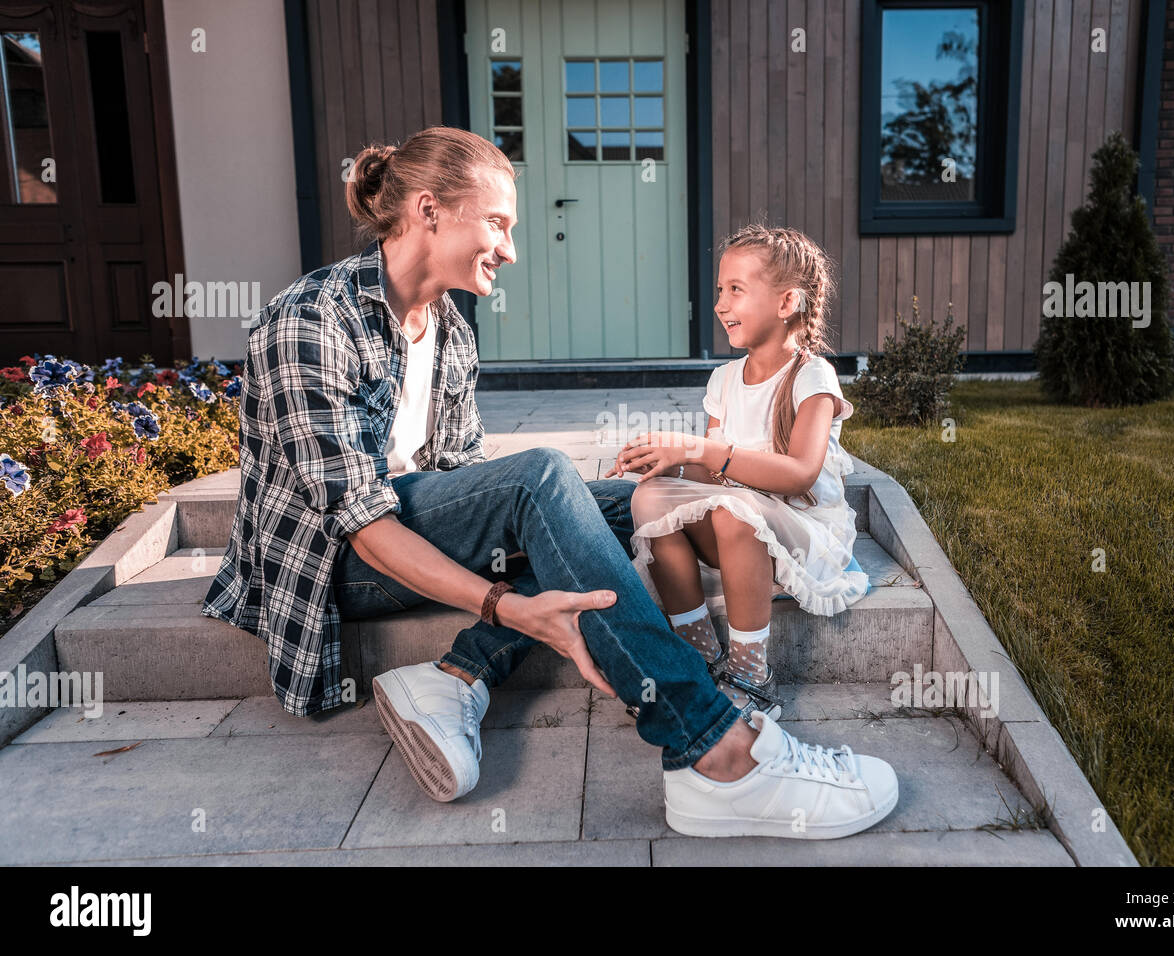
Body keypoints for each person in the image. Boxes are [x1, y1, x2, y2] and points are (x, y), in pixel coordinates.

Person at [200, 126, 897, 838]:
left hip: (414, 531)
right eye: (498, 224)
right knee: (541, 480)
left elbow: (467, 483)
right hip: (336, 564)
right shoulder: (312, 320)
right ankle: (713, 748)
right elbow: (362, 522)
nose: (509, 249)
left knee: (643, 507)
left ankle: (457, 677)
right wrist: (503, 605)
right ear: (430, 211)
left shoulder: (450, 334)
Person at [607, 225, 868, 727]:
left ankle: (752, 674)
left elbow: (799, 474)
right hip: (739, 519)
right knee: (649, 498)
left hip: (800, 530)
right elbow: (709, 473)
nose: (721, 303)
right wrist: (672, 461)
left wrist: (701, 448)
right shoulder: (724, 379)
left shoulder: (810, 376)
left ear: (787, 300)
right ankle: (699, 653)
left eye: (736, 290)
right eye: (719, 290)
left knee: (732, 513)